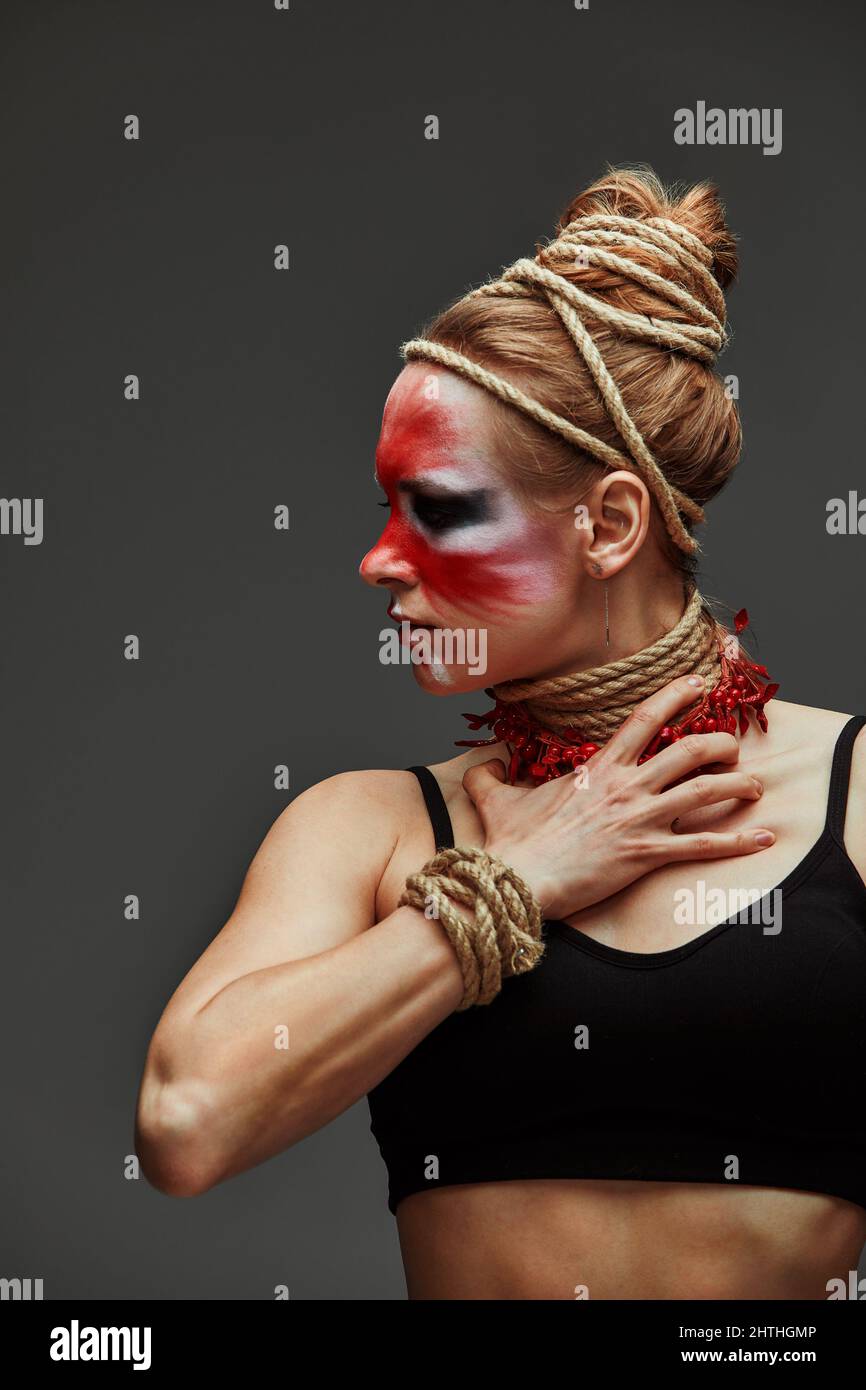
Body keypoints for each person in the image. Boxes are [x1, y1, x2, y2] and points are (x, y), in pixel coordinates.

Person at [135, 165, 866, 1300]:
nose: (380, 559)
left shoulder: (857, 795)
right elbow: (185, 1124)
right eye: (386, 509)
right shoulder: (372, 828)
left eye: (438, 509)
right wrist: (507, 885)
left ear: (609, 523)